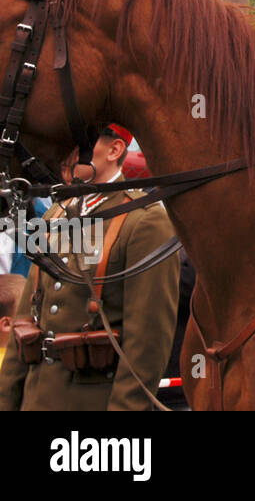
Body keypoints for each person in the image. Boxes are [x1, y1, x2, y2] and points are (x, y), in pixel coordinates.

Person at [0, 126, 181, 411]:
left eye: (80, 143)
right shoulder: (55, 214)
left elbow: (146, 347)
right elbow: (25, 321)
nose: (68, 152)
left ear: (114, 150)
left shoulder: (145, 223)